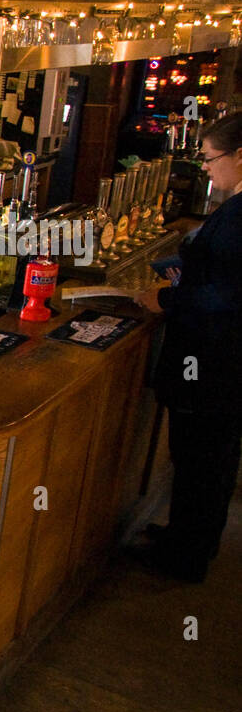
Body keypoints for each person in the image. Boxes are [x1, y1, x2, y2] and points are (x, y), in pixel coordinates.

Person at [136, 110, 242, 582]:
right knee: (206, 457)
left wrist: (163, 298)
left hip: (214, 362)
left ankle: (186, 557)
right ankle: (190, 537)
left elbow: (223, 294)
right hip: (221, 363)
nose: (206, 168)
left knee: (202, 456)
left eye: (211, 158)